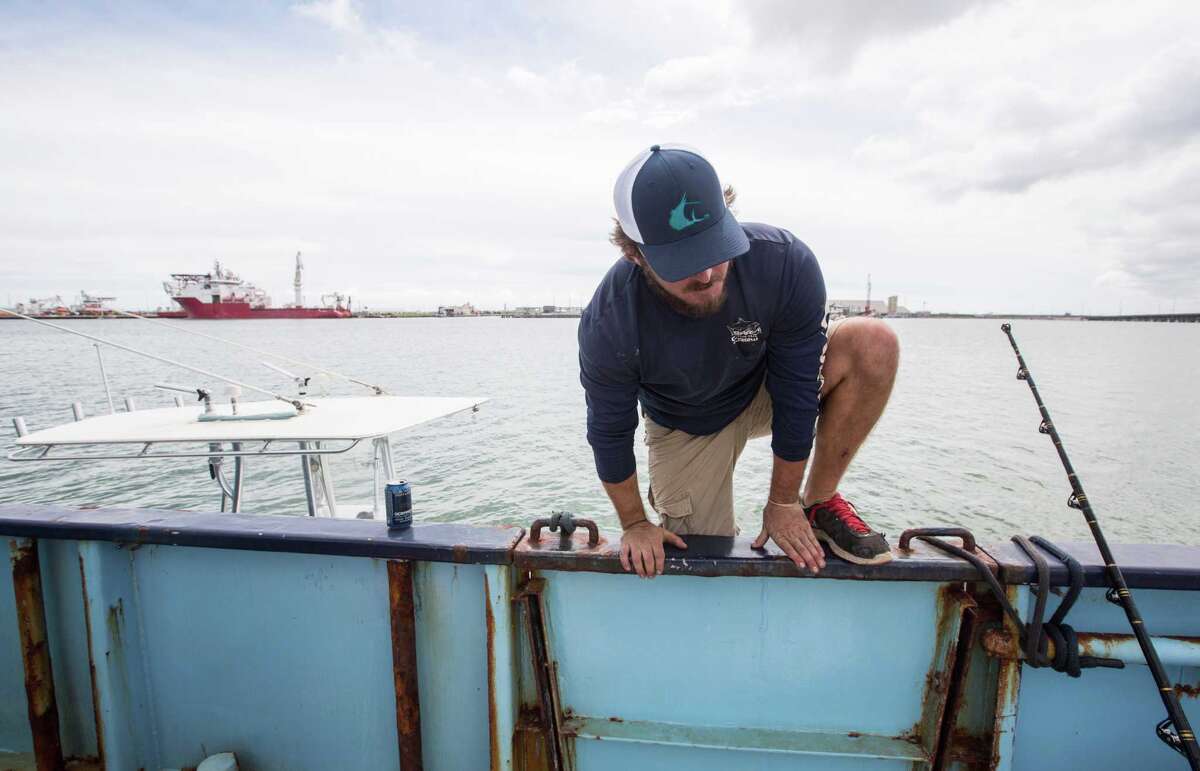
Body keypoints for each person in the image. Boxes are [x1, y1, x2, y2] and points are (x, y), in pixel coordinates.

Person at [578, 144, 900, 579]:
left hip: (762, 386)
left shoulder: (786, 262)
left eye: (714, 248)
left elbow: (798, 390)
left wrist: (783, 502)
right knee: (703, 560)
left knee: (872, 341)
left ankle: (819, 501)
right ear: (636, 255)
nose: (707, 275)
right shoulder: (610, 319)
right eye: (683, 262)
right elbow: (609, 433)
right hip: (685, 422)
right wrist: (635, 523)